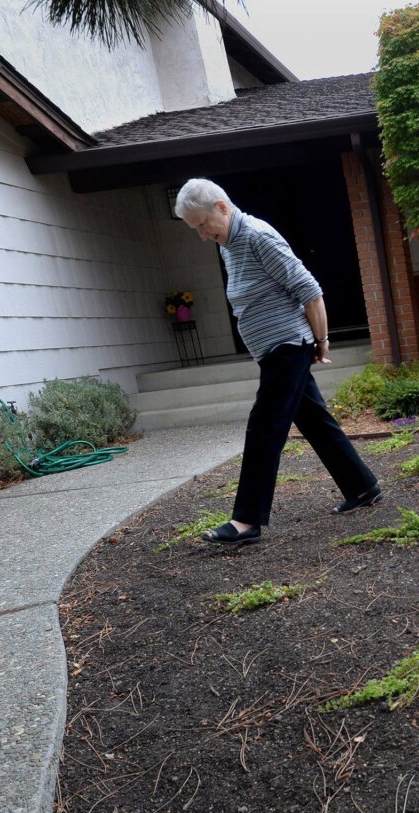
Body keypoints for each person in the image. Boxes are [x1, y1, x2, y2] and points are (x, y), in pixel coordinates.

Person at [174, 178, 383, 545]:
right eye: (195, 229)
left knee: (264, 427)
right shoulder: (229, 242)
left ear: (221, 207)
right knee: (315, 420)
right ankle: (363, 486)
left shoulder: (257, 237)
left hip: (287, 345)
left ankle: (246, 521)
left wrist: (321, 341)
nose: (202, 235)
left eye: (203, 225)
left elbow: (311, 291)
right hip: (275, 347)